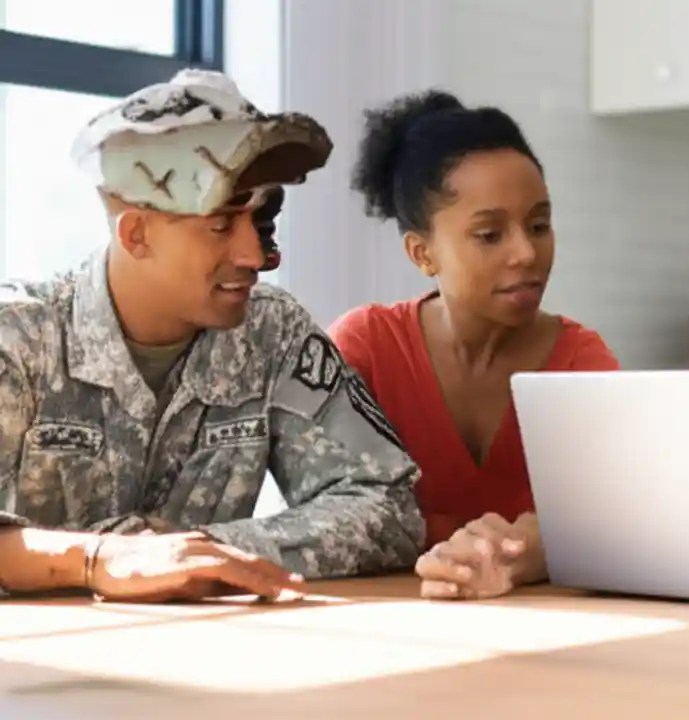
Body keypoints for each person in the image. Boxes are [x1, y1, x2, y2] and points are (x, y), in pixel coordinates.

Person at [0, 70, 426, 603]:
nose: (254, 256)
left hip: (210, 657)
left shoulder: (272, 331)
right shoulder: (19, 337)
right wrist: (98, 560)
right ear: (137, 234)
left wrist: (202, 550)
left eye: (261, 217)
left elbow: (388, 507)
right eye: (222, 225)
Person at [328, 90, 619, 601]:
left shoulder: (582, 363)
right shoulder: (365, 350)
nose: (526, 253)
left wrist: (530, 554)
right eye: (489, 235)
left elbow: (622, 520)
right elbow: (328, 514)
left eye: (539, 225)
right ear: (423, 253)